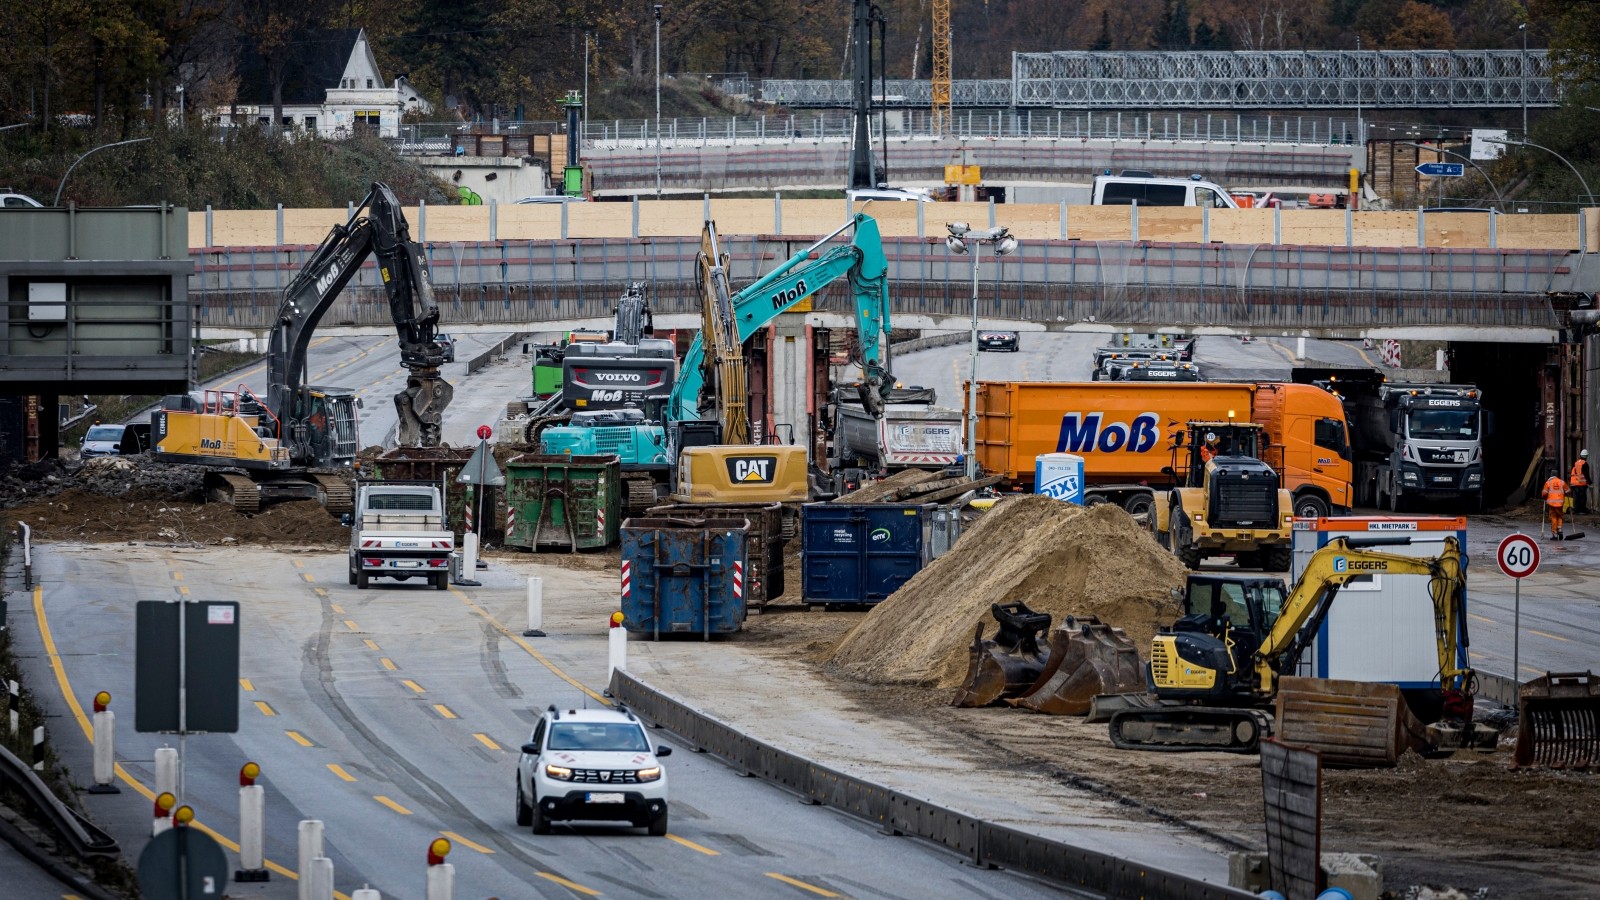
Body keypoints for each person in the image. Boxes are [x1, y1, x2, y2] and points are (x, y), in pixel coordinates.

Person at [1542, 468, 1569, 540]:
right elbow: (1568, 491)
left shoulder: (1548, 483)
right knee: (1559, 516)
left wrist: (1544, 497)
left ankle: (1554, 534)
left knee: (1553, 517)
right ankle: (1559, 529)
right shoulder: (1562, 482)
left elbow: (1544, 493)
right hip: (1560, 503)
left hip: (1552, 503)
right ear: (1557, 475)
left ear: (1551, 474)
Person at [1571, 450, 1591, 516]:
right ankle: (1582, 511)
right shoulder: (1585, 464)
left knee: (1576, 497)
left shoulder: (1576, 463)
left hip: (1574, 483)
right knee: (1582, 497)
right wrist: (1590, 483)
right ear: (1586, 456)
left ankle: (1576, 510)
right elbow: (1586, 474)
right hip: (1581, 484)